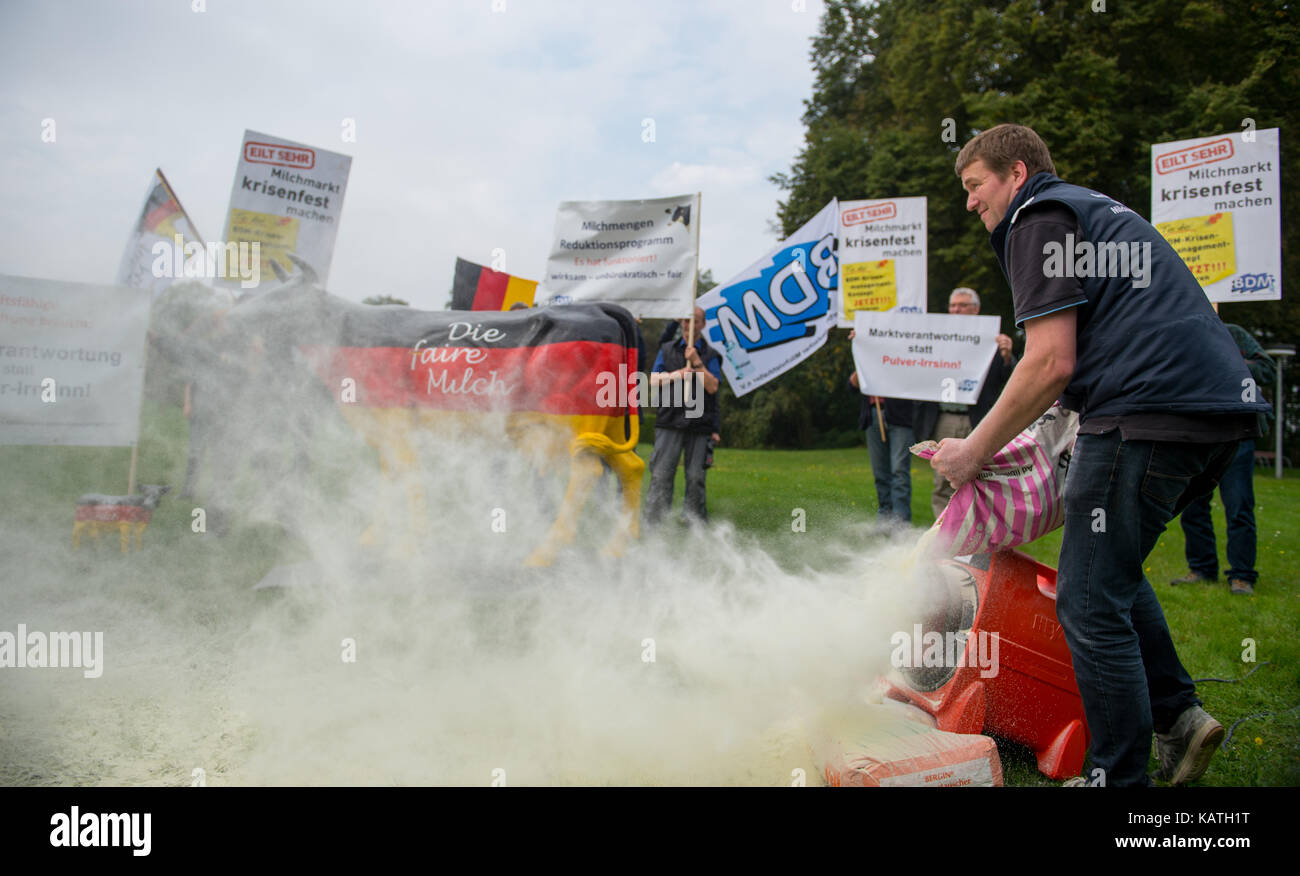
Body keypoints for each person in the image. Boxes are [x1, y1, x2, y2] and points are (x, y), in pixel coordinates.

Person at [929, 124, 1268, 787]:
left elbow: (1051, 361)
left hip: (1147, 414)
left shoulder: (1038, 218)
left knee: (1086, 602)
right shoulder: (1087, 209)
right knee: (1109, 575)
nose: (970, 204)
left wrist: (973, 451)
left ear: (1015, 174)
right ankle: (1179, 719)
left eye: (975, 186)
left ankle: (1118, 775)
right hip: (1213, 415)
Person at [1172, 325, 1275, 595]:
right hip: (1198, 431)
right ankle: (1202, 568)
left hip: (1236, 431)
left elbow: (1268, 370)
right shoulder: (1185, 334)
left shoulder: (1236, 334)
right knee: (1192, 506)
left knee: (1239, 504)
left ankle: (1242, 575)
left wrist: (1227, 359)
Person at [913, 288, 1017, 518]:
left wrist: (1007, 356)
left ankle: (983, 534)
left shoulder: (992, 340)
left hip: (980, 420)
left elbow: (1010, 380)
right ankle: (944, 536)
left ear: (976, 309)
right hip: (945, 418)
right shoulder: (935, 338)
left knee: (983, 477)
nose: (956, 310)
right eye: (953, 306)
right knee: (943, 479)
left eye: (962, 305)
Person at [643, 307, 721, 525]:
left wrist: (696, 362)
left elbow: (713, 387)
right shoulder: (667, 349)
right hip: (669, 420)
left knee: (696, 477)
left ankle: (694, 522)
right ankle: (655, 521)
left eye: (695, 321)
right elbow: (653, 380)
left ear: (703, 325)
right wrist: (677, 375)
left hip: (699, 424)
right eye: (686, 321)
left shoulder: (711, 354)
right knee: (661, 475)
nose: (689, 326)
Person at [848, 329, 916, 523]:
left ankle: (901, 520)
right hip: (873, 416)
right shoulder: (867, 360)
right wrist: (858, 352)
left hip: (900, 418)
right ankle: (885, 517)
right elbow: (852, 386)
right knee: (880, 473)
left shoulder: (904, 355)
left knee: (899, 471)